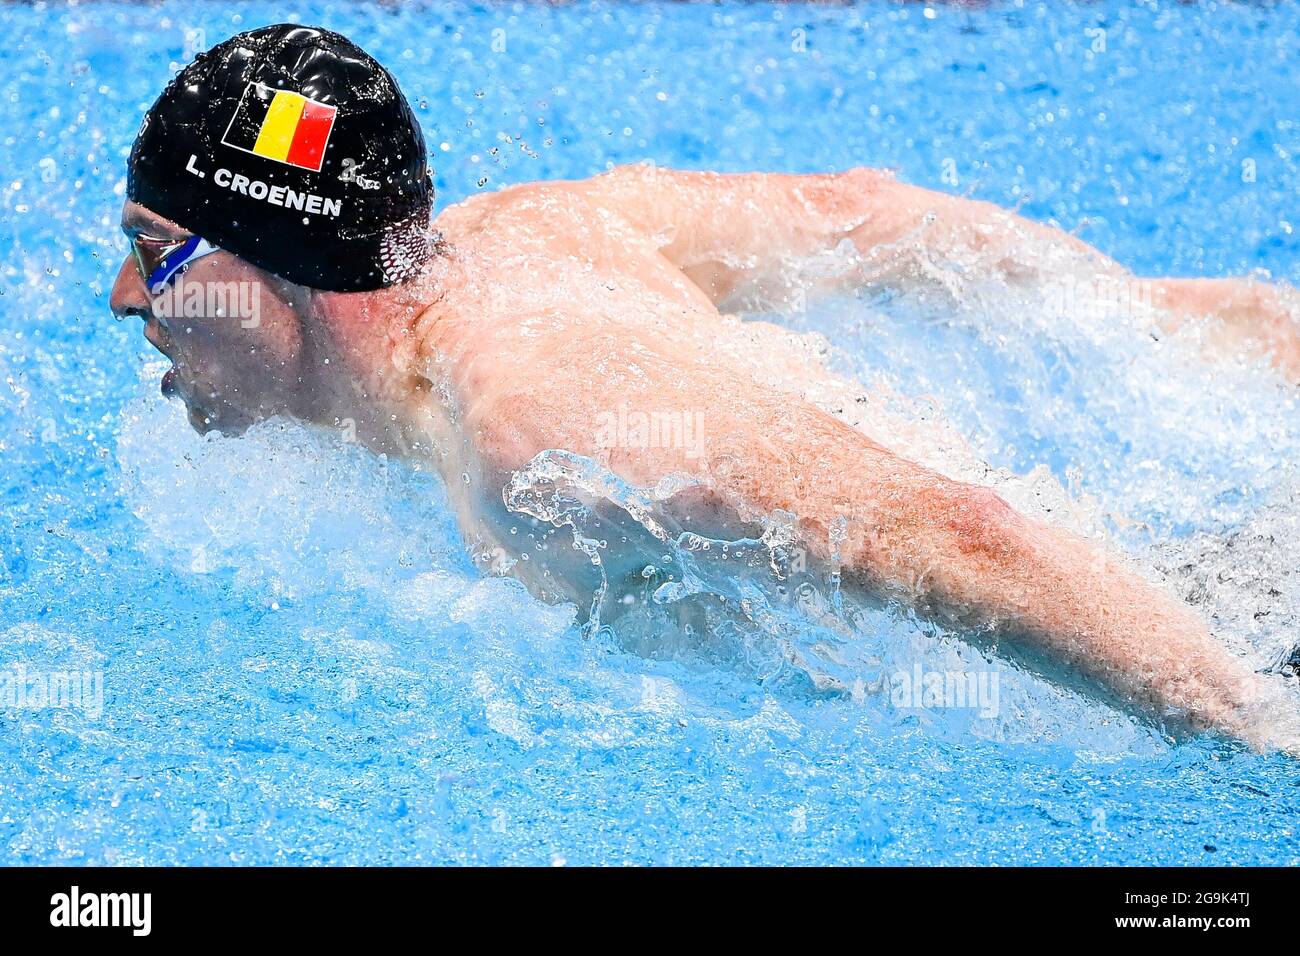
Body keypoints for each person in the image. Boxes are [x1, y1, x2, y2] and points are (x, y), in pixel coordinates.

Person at [110, 24, 1300, 750]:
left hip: (1225, 632)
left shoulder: (536, 432)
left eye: (155, 248)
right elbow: (857, 213)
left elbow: (952, 533)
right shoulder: (521, 231)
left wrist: (1254, 728)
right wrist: (1166, 316)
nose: (126, 297)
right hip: (1188, 558)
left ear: (275, 265)